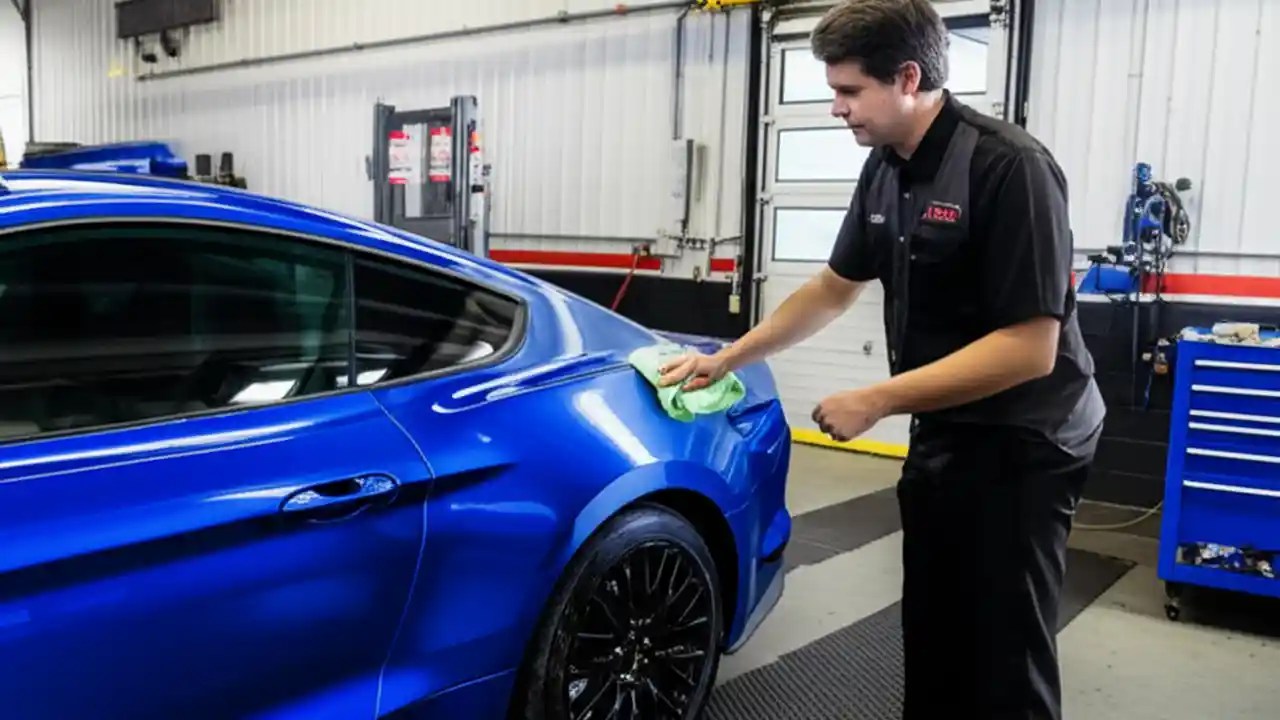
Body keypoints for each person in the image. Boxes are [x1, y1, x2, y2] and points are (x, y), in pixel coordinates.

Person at [658, 0, 1105, 718]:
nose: (837, 109)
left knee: (1002, 644)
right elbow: (832, 289)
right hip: (945, 430)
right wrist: (729, 358)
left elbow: (1029, 347)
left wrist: (878, 399)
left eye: (848, 92)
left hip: (1027, 438)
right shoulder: (885, 169)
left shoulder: (1008, 168)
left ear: (906, 77)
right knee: (932, 626)